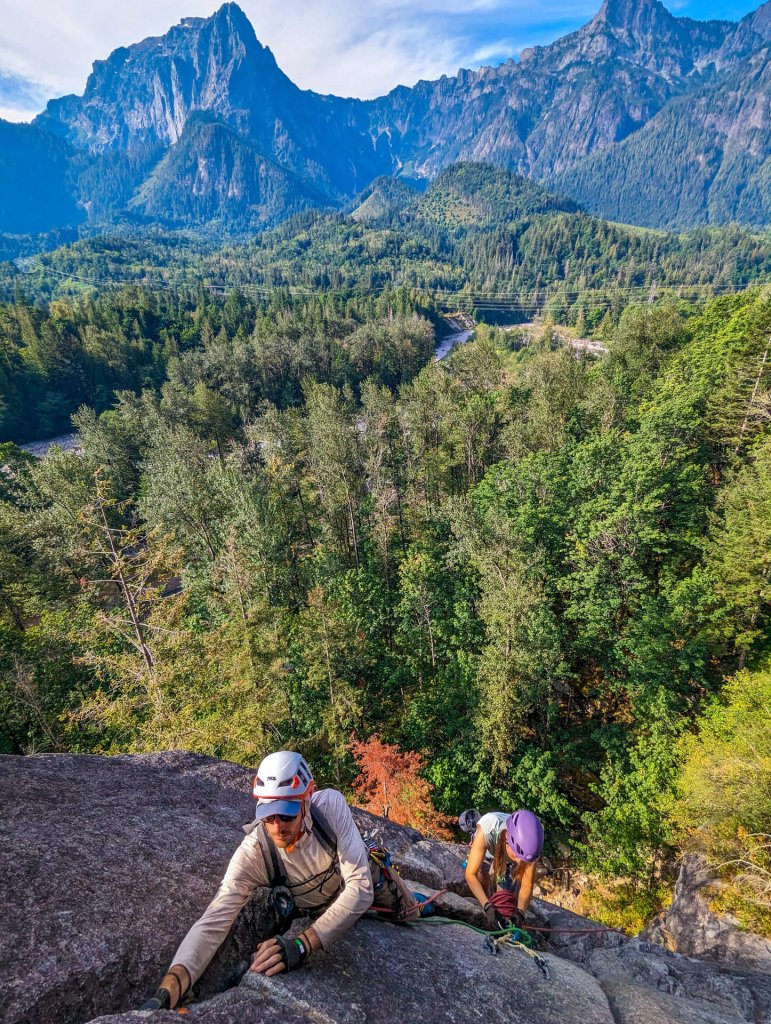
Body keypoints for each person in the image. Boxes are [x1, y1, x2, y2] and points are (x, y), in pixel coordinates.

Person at [140, 750, 418, 1011]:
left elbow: (360, 888)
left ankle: (424, 903)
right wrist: (173, 983)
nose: (277, 827)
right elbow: (215, 919)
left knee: (411, 913)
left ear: (308, 797)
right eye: (268, 815)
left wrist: (303, 944)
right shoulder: (255, 853)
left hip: (369, 883)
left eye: (286, 814)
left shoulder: (329, 808)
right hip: (321, 904)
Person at [464, 809, 544, 931]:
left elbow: (527, 885)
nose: (519, 861)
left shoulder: (531, 847)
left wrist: (520, 912)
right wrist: (487, 906)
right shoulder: (488, 828)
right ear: (507, 837)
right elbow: (470, 874)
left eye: (522, 858)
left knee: (510, 896)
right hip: (490, 846)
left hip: (506, 851)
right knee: (482, 879)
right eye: (517, 855)